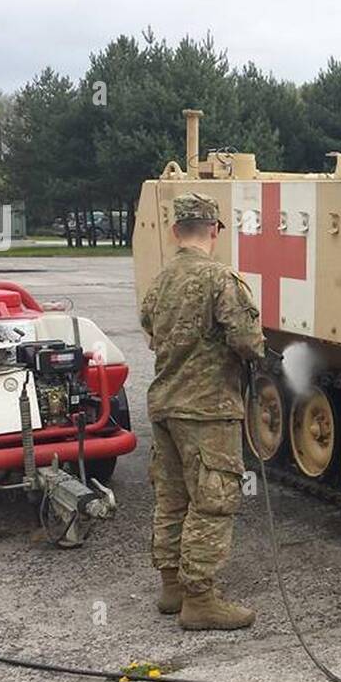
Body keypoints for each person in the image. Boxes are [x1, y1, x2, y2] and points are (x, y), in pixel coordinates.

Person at [139, 192, 264, 631]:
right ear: (214, 230)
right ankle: (201, 600)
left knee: (173, 498)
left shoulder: (162, 280)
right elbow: (248, 341)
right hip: (208, 410)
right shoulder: (221, 280)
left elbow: (150, 327)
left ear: (175, 231)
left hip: (166, 404)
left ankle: (172, 587)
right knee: (213, 501)